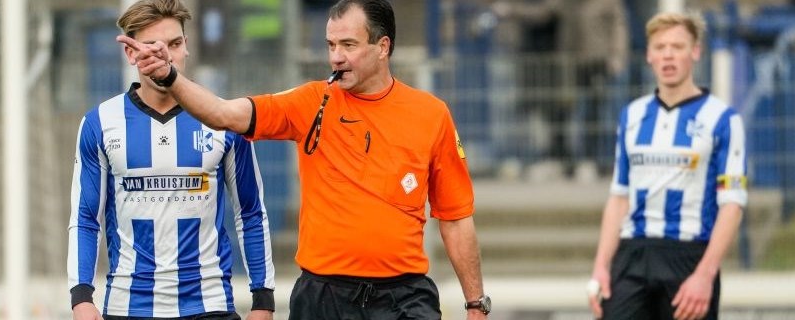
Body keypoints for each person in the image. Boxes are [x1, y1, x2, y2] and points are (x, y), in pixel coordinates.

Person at [117, 0, 489, 318]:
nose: (335, 56)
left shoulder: (431, 114)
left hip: (404, 298)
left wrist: (476, 302)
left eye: (348, 44)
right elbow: (223, 114)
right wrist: (170, 77)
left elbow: (455, 219)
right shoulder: (311, 102)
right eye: (330, 44)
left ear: (383, 47)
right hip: (323, 296)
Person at [67, 1, 275, 319]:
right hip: (129, 307)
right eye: (152, 46)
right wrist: (81, 297)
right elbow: (86, 218)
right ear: (130, 54)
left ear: (187, 47)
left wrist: (263, 301)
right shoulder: (100, 123)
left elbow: (250, 213)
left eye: (175, 44)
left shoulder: (224, 119)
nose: (166, 55)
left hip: (209, 307)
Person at [587, 12, 747, 320]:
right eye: (660, 47)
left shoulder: (723, 119)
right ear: (649, 54)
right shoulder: (632, 115)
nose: (668, 55)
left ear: (696, 52)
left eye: (678, 46)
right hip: (632, 255)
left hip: (688, 256)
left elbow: (732, 204)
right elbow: (619, 197)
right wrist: (600, 267)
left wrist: (705, 274)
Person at [491, 0, 627, 179]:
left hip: (597, 60)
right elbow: (543, 13)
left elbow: (619, 26)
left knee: (593, 114)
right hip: (568, 61)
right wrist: (513, 10)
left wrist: (617, 54)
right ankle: (561, 160)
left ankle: (590, 160)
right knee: (561, 111)